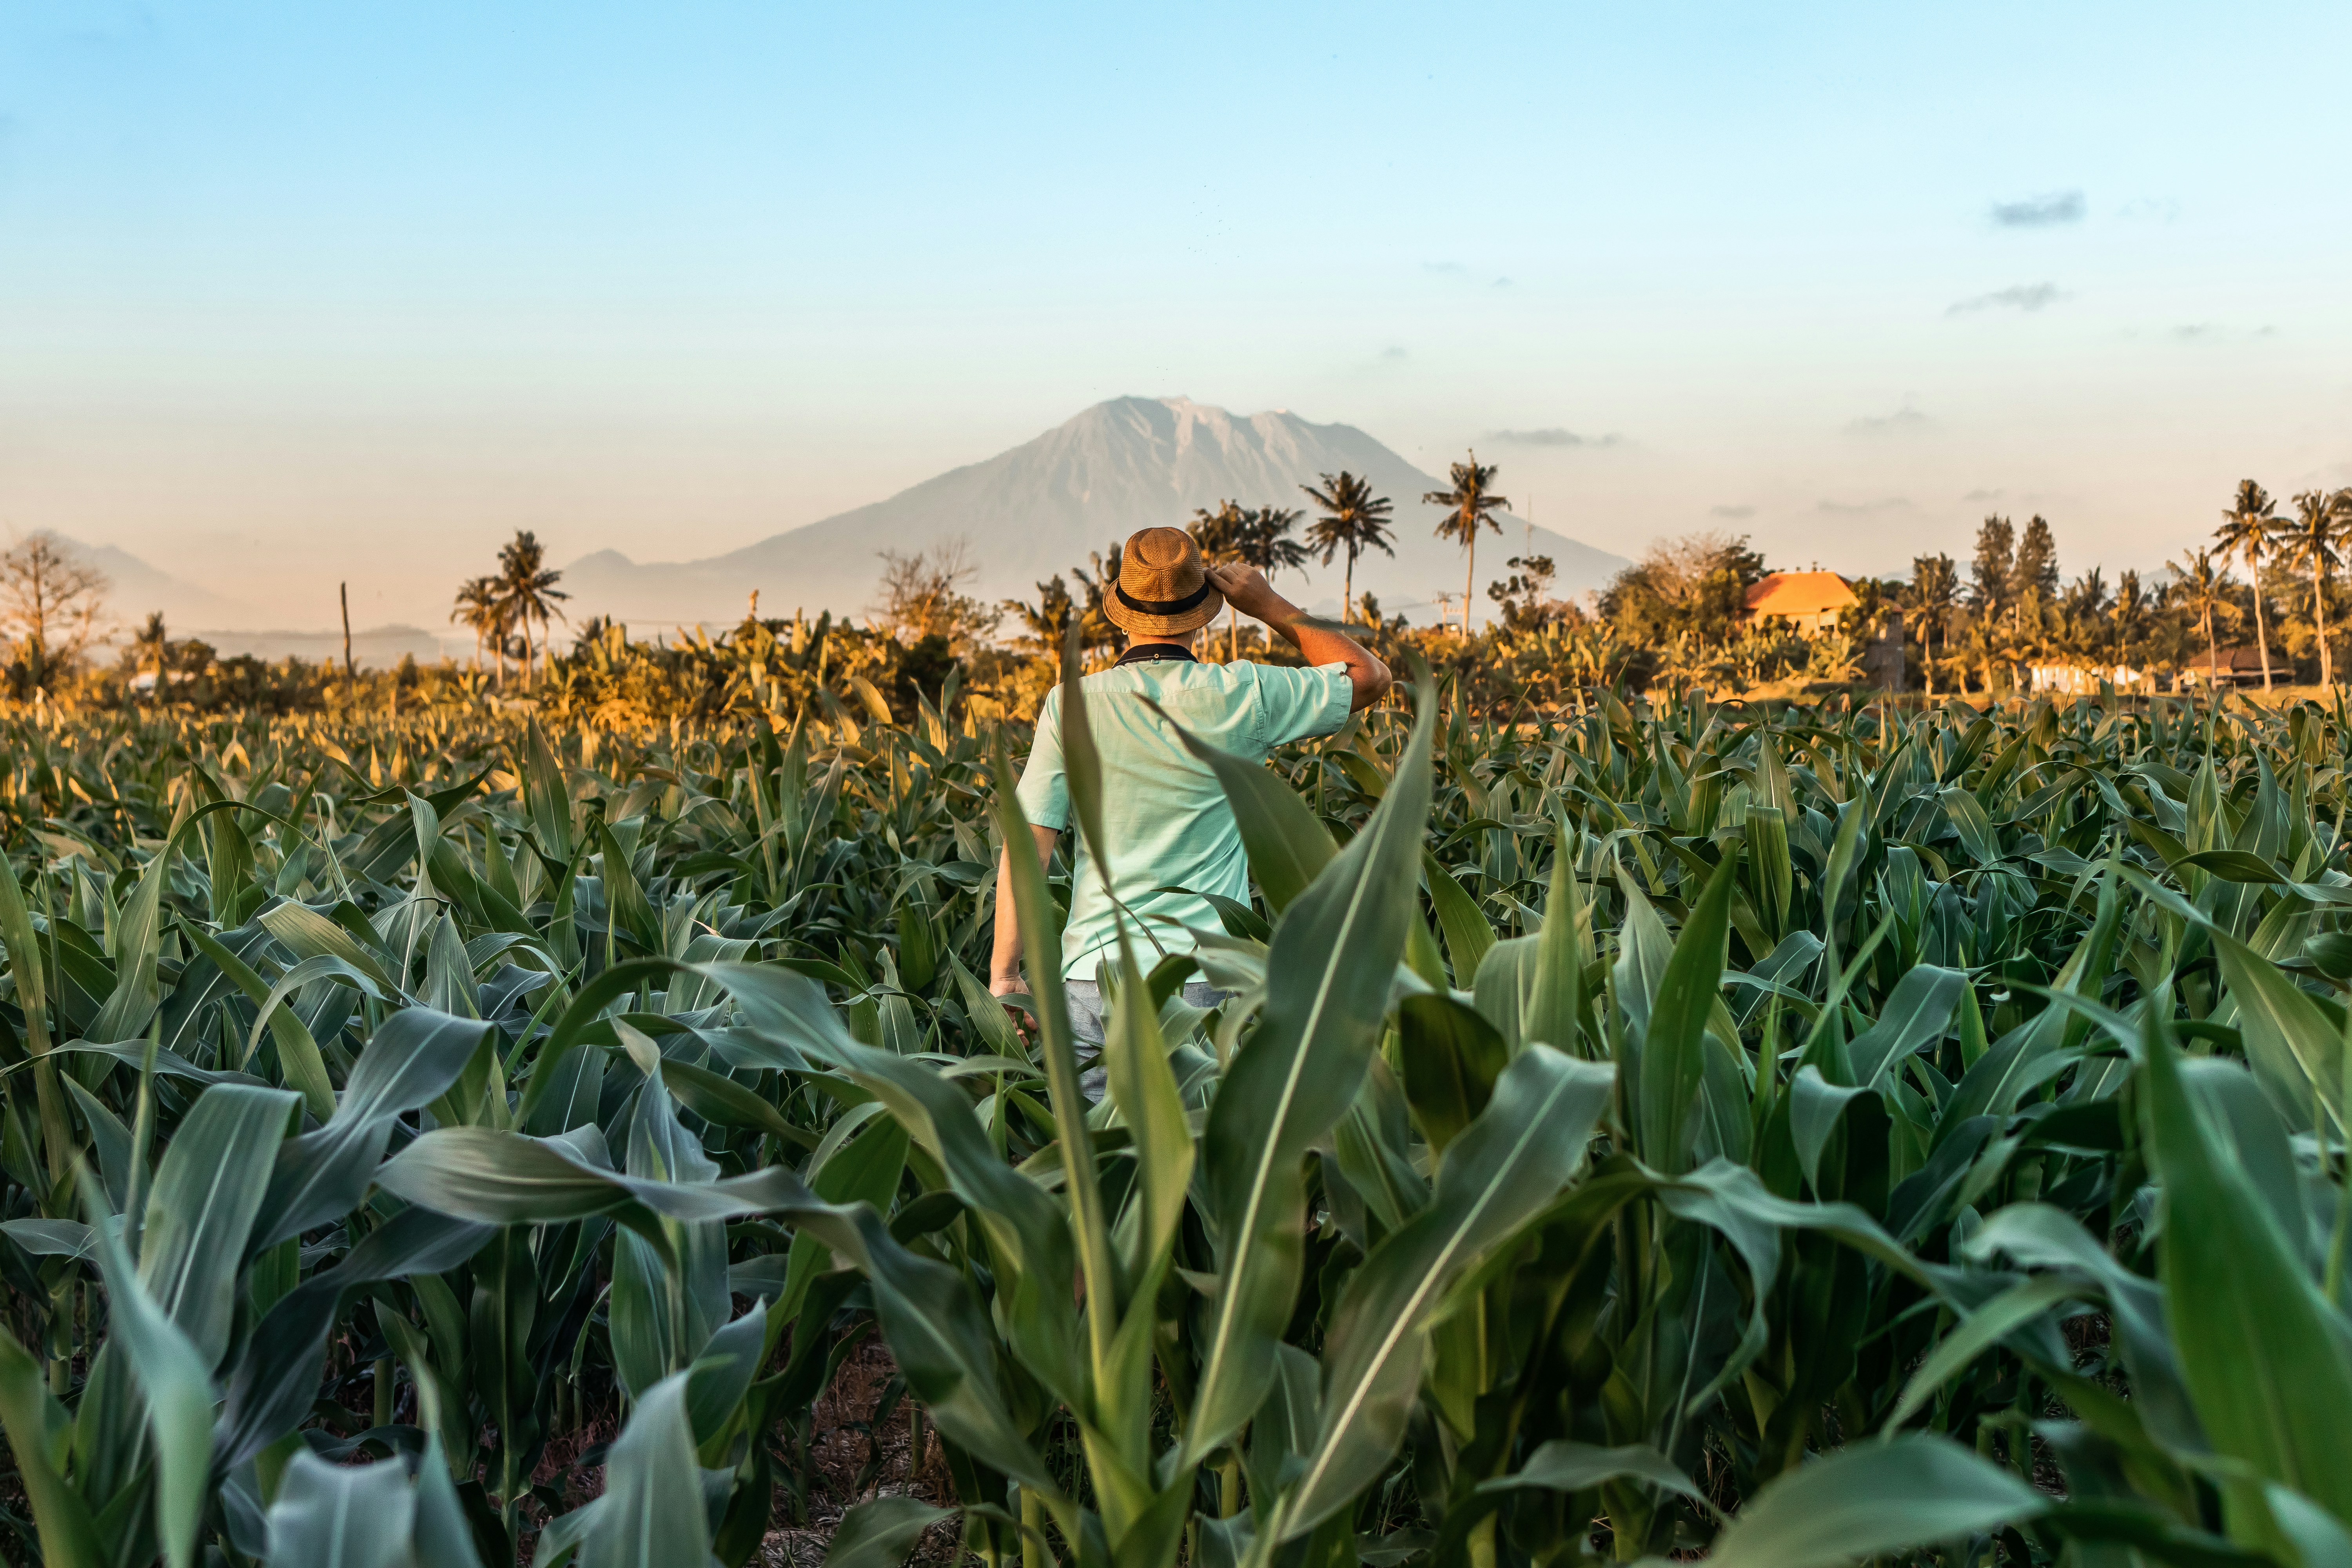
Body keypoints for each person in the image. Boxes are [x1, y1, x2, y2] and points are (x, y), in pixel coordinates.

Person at [992, 525, 1392, 1047]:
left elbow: (1029, 847)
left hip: (1096, 979)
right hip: (1204, 980)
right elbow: (1371, 677)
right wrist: (1269, 605)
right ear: (1203, 616)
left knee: (1102, 1129)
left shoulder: (1072, 704)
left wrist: (1005, 975)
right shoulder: (1244, 694)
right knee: (1198, 1127)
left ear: (1121, 615)